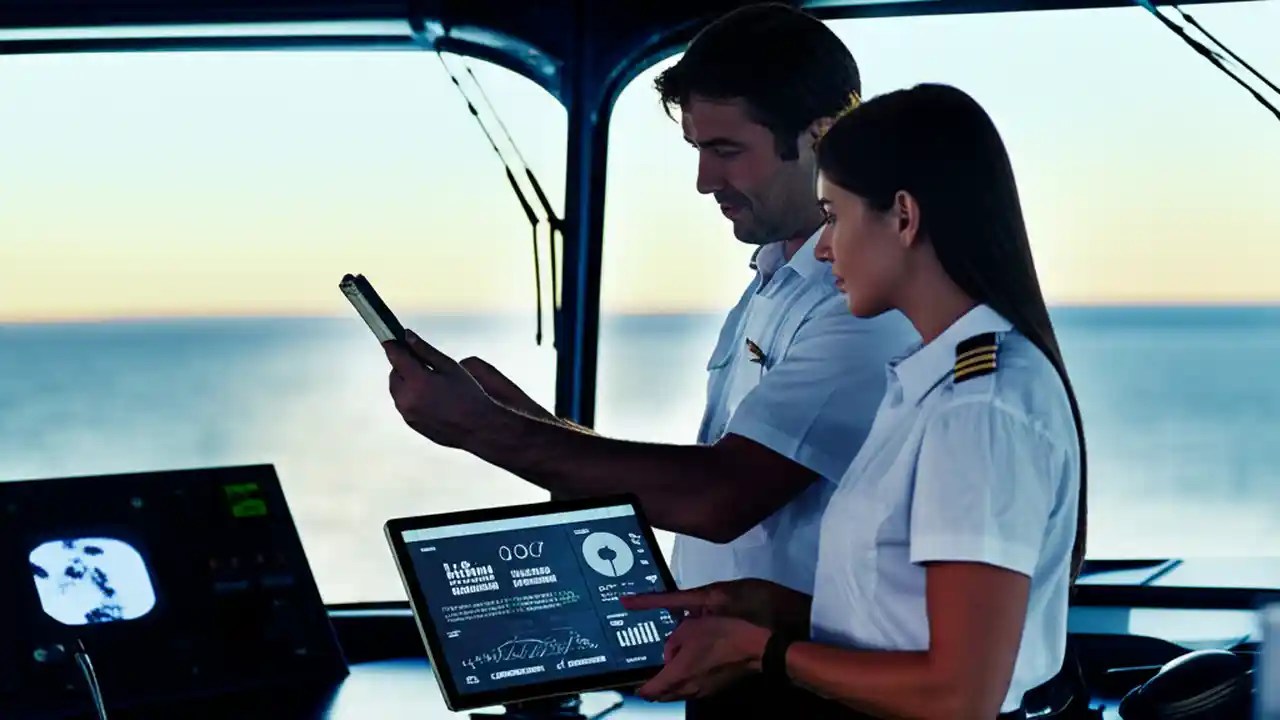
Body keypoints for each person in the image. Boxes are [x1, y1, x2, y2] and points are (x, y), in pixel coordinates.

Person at [383, 2, 914, 598]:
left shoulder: (865, 308)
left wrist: (486, 429)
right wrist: (522, 422)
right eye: (697, 150)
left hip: (801, 655)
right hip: (726, 648)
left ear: (822, 136)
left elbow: (721, 496)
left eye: (727, 151)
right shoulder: (773, 280)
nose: (704, 180)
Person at [621, 83, 1090, 720]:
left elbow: (960, 695)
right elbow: (903, 621)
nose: (823, 246)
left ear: (903, 217)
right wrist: (774, 609)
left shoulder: (977, 410)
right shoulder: (930, 387)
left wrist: (763, 651)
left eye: (834, 216)